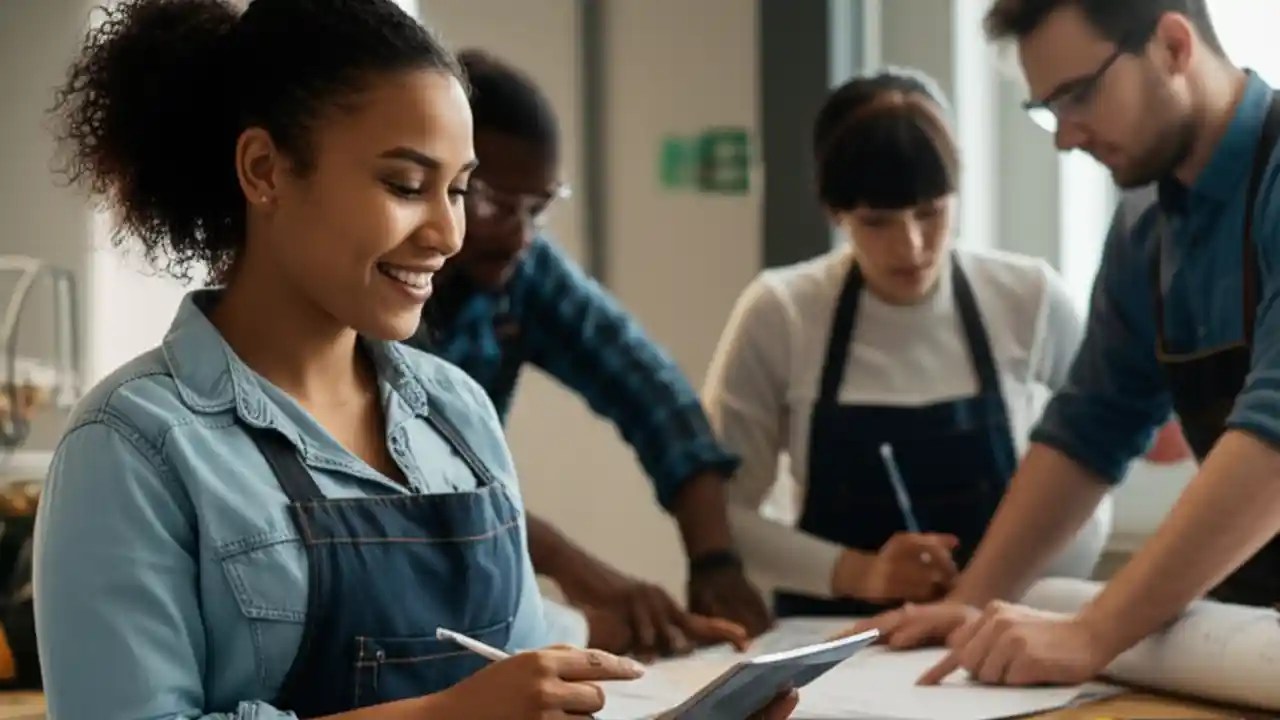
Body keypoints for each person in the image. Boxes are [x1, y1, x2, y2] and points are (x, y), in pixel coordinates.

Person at [32, 1, 797, 719]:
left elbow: (525, 686)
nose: (448, 232)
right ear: (264, 170)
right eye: (405, 185)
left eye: (459, 190)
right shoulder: (131, 450)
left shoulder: (459, 415)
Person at [840, 0, 1280, 689]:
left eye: (1079, 94)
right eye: (1047, 107)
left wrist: (1094, 632)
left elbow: (1276, 437)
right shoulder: (1145, 228)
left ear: (1172, 45)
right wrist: (969, 598)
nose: (1065, 137)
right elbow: (1088, 430)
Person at [700, 67, 1111, 619]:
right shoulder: (782, 313)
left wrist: (1006, 591)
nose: (911, 246)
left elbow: (1096, 470)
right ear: (836, 212)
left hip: (996, 628)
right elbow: (720, 514)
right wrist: (862, 573)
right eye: (877, 222)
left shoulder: (1029, 299)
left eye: (931, 213)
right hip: (829, 641)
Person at [404, 48, 772, 657]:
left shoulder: (524, 271)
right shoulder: (374, 293)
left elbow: (652, 392)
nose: (520, 235)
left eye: (540, 209)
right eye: (494, 204)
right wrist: (581, 574)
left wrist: (715, 561)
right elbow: (419, 486)